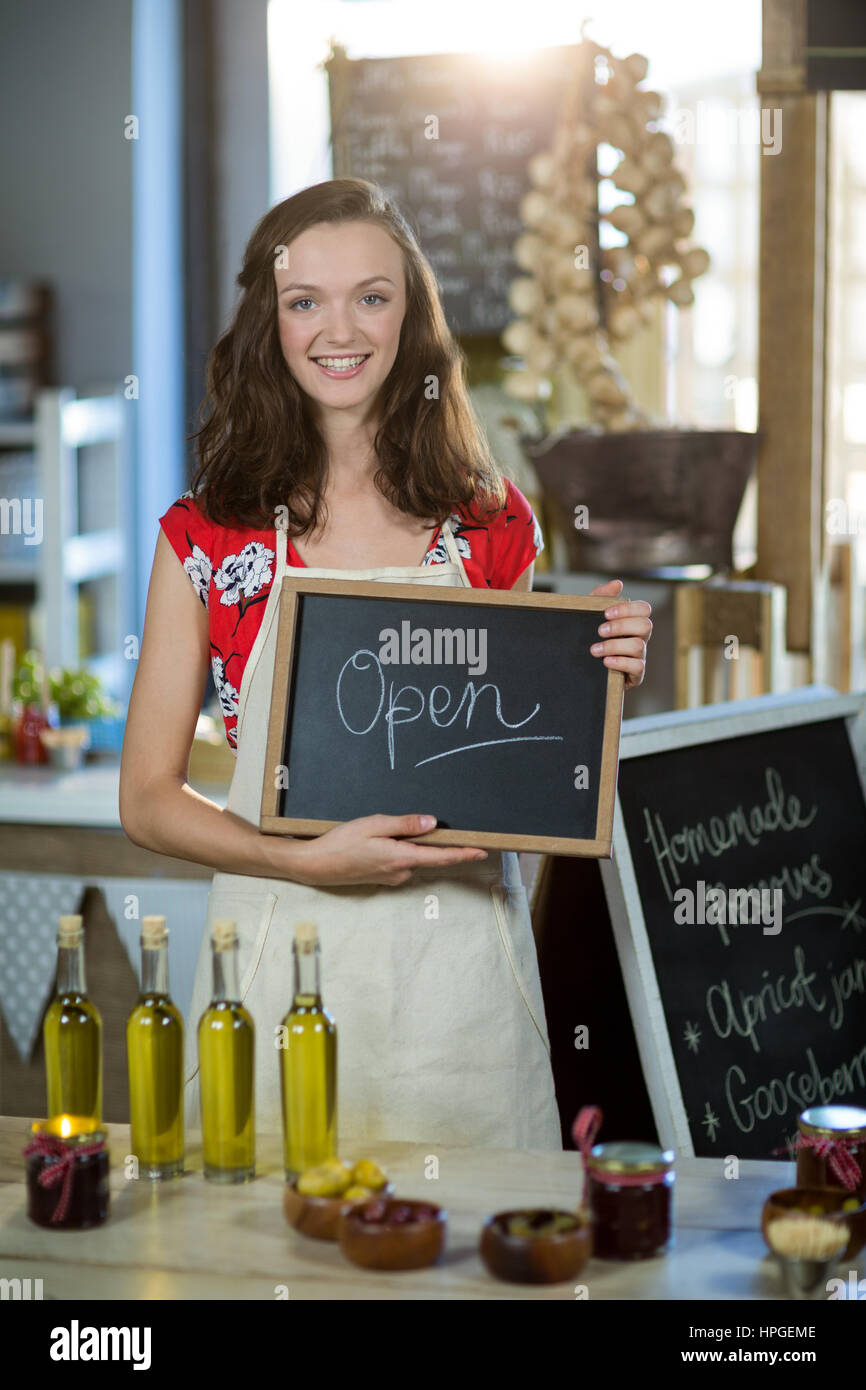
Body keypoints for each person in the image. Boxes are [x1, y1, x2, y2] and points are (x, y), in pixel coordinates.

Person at [119, 178, 653, 1151]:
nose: (340, 329)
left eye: (371, 296)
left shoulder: (493, 525)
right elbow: (147, 800)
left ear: (410, 317)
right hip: (281, 959)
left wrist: (604, 673)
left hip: (461, 991)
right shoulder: (205, 537)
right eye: (303, 300)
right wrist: (303, 859)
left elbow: (524, 767)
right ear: (267, 322)